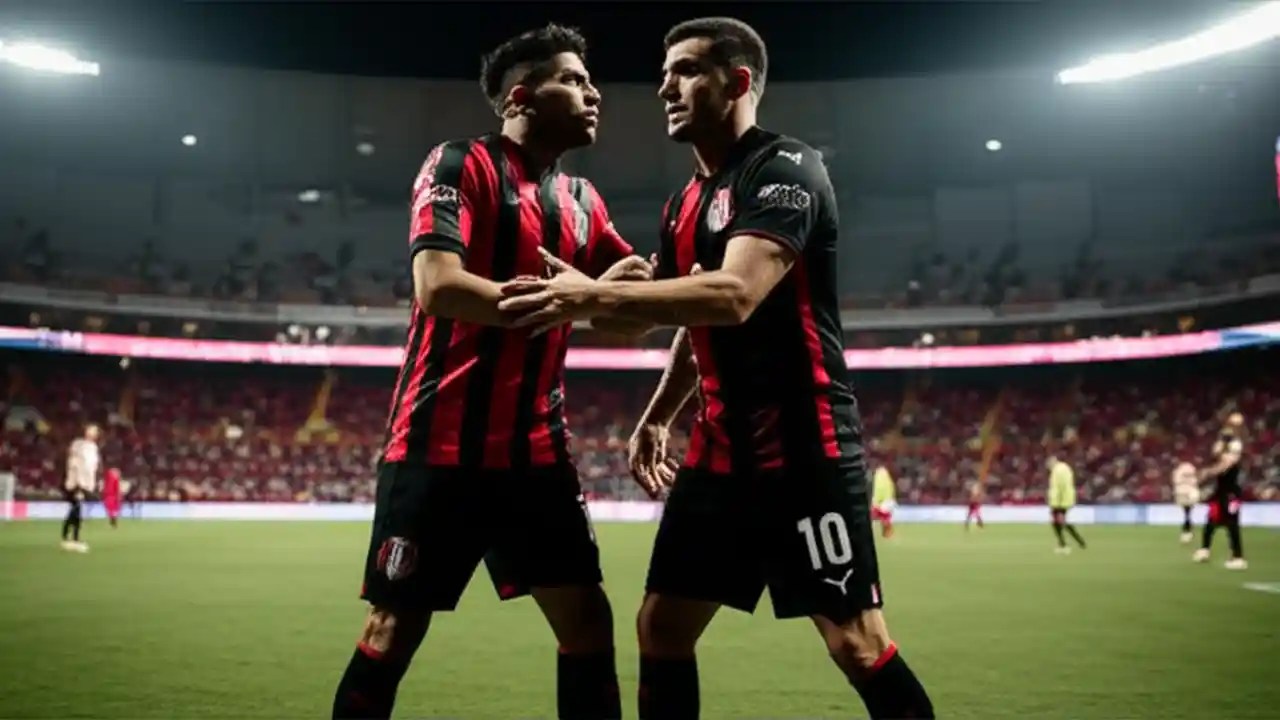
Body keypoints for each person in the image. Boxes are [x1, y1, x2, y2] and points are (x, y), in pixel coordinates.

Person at [499, 17, 933, 719]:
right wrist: (658, 413)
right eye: (666, 72)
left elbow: (732, 296)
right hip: (721, 455)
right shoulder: (684, 204)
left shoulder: (786, 169)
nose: (665, 85)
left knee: (855, 641)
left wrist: (595, 292)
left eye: (687, 70)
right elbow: (675, 313)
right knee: (661, 627)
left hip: (803, 449)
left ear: (736, 82)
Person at [331, 24, 649, 720]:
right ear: (519, 96)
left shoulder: (584, 201)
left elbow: (630, 315)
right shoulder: (458, 164)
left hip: (537, 457)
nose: (594, 92)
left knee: (588, 623)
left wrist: (626, 290)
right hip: (437, 448)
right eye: (573, 79)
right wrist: (574, 300)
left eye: (590, 81)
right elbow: (439, 285)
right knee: (393, 628)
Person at [1193, 413, 1247, 569]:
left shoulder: (1235, 449)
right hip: (1220, 491)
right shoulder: (1223, 448)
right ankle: (1204, 550)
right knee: (1211, 520)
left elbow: (1225, 465)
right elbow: (1216, 456)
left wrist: (1207, 472)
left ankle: (1238, 557)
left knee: (1232, 524)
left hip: (1232, 492)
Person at [61, 424, 100, 552]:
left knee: (76, 509)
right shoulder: (79, 445)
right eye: (92, 431)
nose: (93, 433)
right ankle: (70, 537)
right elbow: (77, 464)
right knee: (76, 509)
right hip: (77, 483)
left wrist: (90, 484)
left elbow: (91, 468)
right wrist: (78, 482)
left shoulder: (92, 448)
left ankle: (71, 536)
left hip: (83, 484)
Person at [1047, 455, 1086, 554]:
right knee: (1058, 521)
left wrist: (1056, 503)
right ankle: (1072, 542)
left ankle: (1067, 543)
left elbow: (1058, 487)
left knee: (1059, 521)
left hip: (1061, 501)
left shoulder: (1057, 471)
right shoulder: (1065, 468)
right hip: (1066, 499)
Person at [1171, 460, 1198, 543]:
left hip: (1187, 494)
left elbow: (1176, 482)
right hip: (1187, 493)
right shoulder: (1190, 472)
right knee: (1187, 512)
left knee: (1187, 512)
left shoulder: (1178, 473)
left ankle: (1187, 531)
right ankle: (1188, 530)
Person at [870, 463, 896, 539]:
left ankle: (887, 533)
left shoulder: (878, 477)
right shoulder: (887, 478)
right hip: (887, 500)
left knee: (878, 517)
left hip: (882, 501)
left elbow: (878, 489)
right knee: (885, 518)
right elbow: (891, 489)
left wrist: (875, 501)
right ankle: (888, 533)